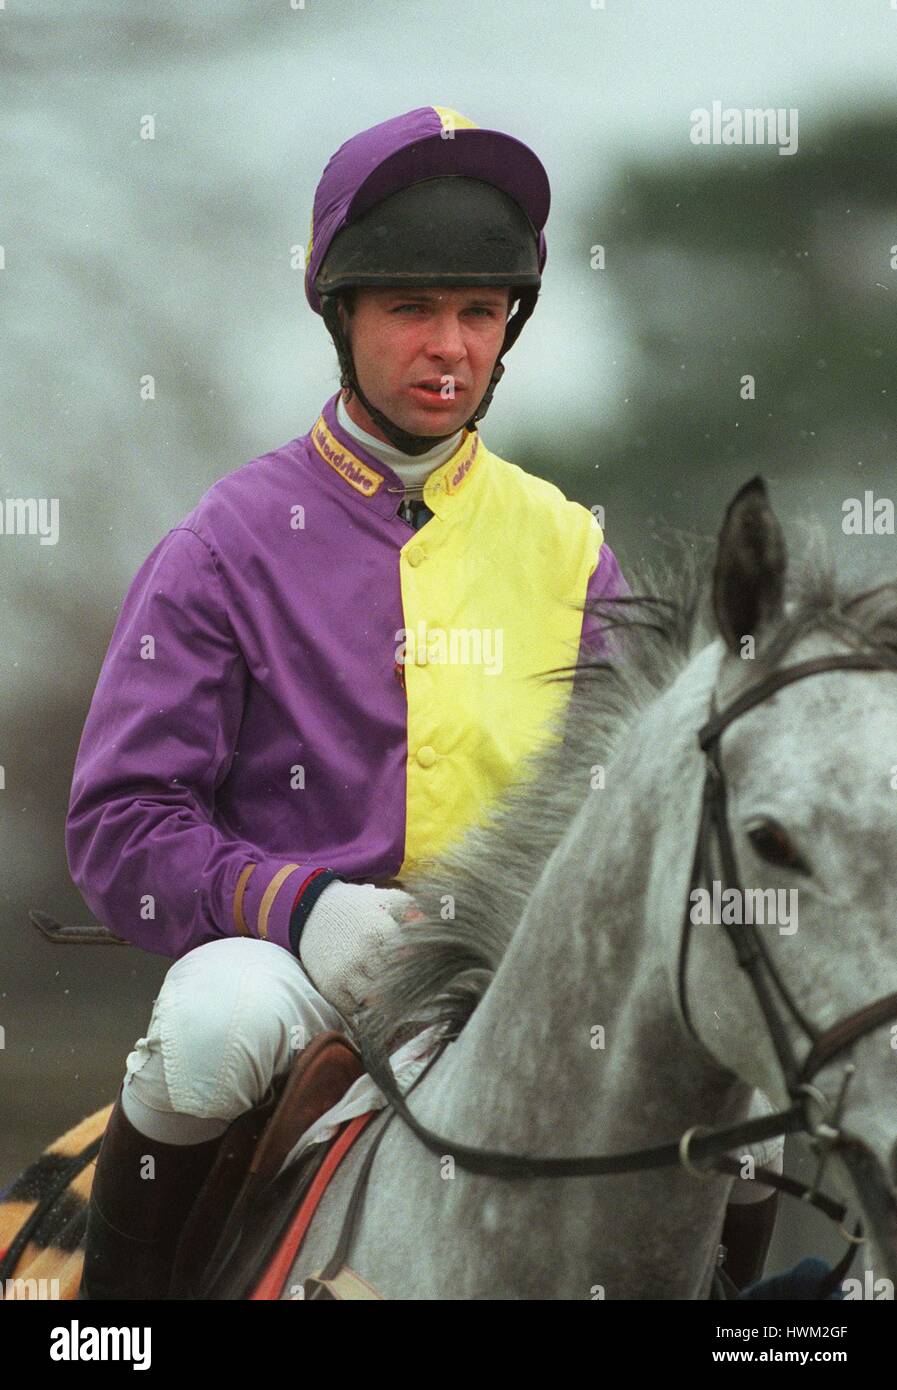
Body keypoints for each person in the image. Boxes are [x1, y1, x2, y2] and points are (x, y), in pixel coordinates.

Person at [65, 105, 767, 1301]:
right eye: (411, 310)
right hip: (300, 962)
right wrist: (298, 907)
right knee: (204, 1035)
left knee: (755, 1111)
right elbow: (119, 825)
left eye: (479, 314)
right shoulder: (227, 542)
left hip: (524, 964)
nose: (449, 347)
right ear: (341, 317)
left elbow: (641, 798)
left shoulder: (567, 545)